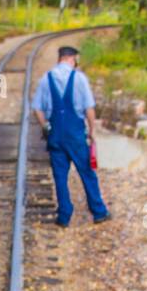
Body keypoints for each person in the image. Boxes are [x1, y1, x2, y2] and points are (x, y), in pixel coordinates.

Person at [31, 45, 110, 229]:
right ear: (72, 58)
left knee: (60, 176)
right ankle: (98, 212)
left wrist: (45, 126)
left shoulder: (46, 79)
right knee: (87, 172)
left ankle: (64, 215)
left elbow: (37, 108)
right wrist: (92, 130)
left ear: (60, 58)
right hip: (75, 134)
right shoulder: (80, 79)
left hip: (56, 134)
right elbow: (89, 108)